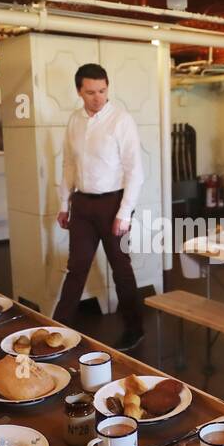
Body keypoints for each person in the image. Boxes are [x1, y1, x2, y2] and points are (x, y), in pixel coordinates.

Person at [53, 63, 145, 351]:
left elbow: (135, 171)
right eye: (91, 92)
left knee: (121, 268)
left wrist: (123, 213)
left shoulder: (121, 120)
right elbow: (69, 163)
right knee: (76, 268)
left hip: (114, 203)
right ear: (79, 91)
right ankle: (57, 330)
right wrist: (64, 204)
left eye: (103, 91)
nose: (98, 98)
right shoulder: (74, 121)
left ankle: (135, 329)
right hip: (82, 202)